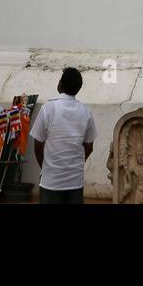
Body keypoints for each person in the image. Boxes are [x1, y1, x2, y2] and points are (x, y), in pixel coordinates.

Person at [32, 67, 97, 204]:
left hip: (51, 182)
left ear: (60, 84)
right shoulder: (86, 112)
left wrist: (46, 168)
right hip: (75, 182)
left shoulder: (48, 108)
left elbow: (38, 145)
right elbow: (89, 147)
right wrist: (74, 164)